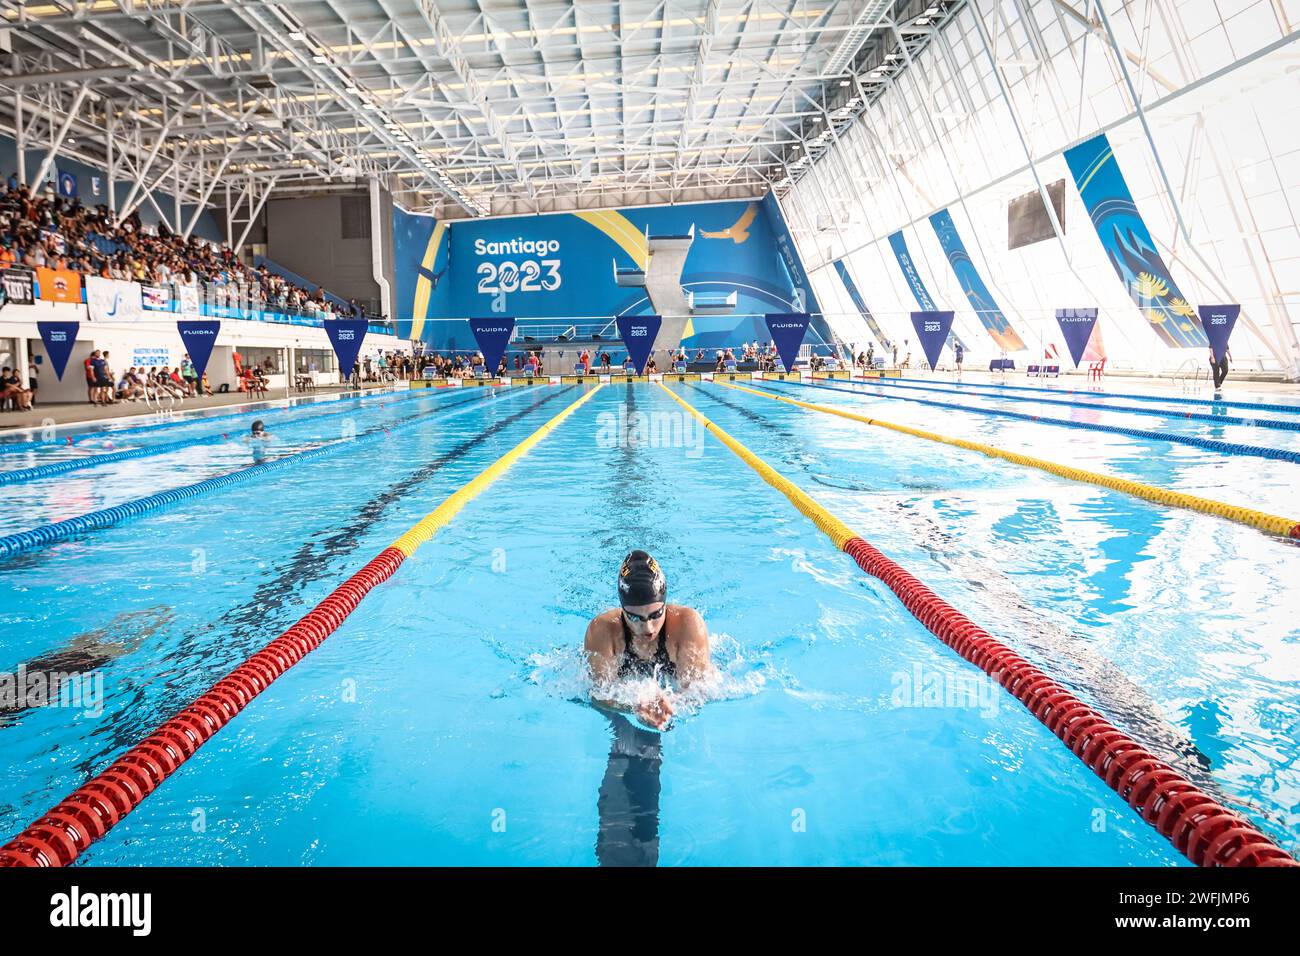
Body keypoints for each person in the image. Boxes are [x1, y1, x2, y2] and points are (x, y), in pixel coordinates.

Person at [584, 550, 714, 731]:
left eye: (656, 614)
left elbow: (698, 690)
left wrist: (669, 703)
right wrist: (635, 707)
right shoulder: (602, 630)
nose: (648, 628)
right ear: (622, 609)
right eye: (635, 618)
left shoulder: (687, 625)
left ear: (665, 602)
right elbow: (598, 695)